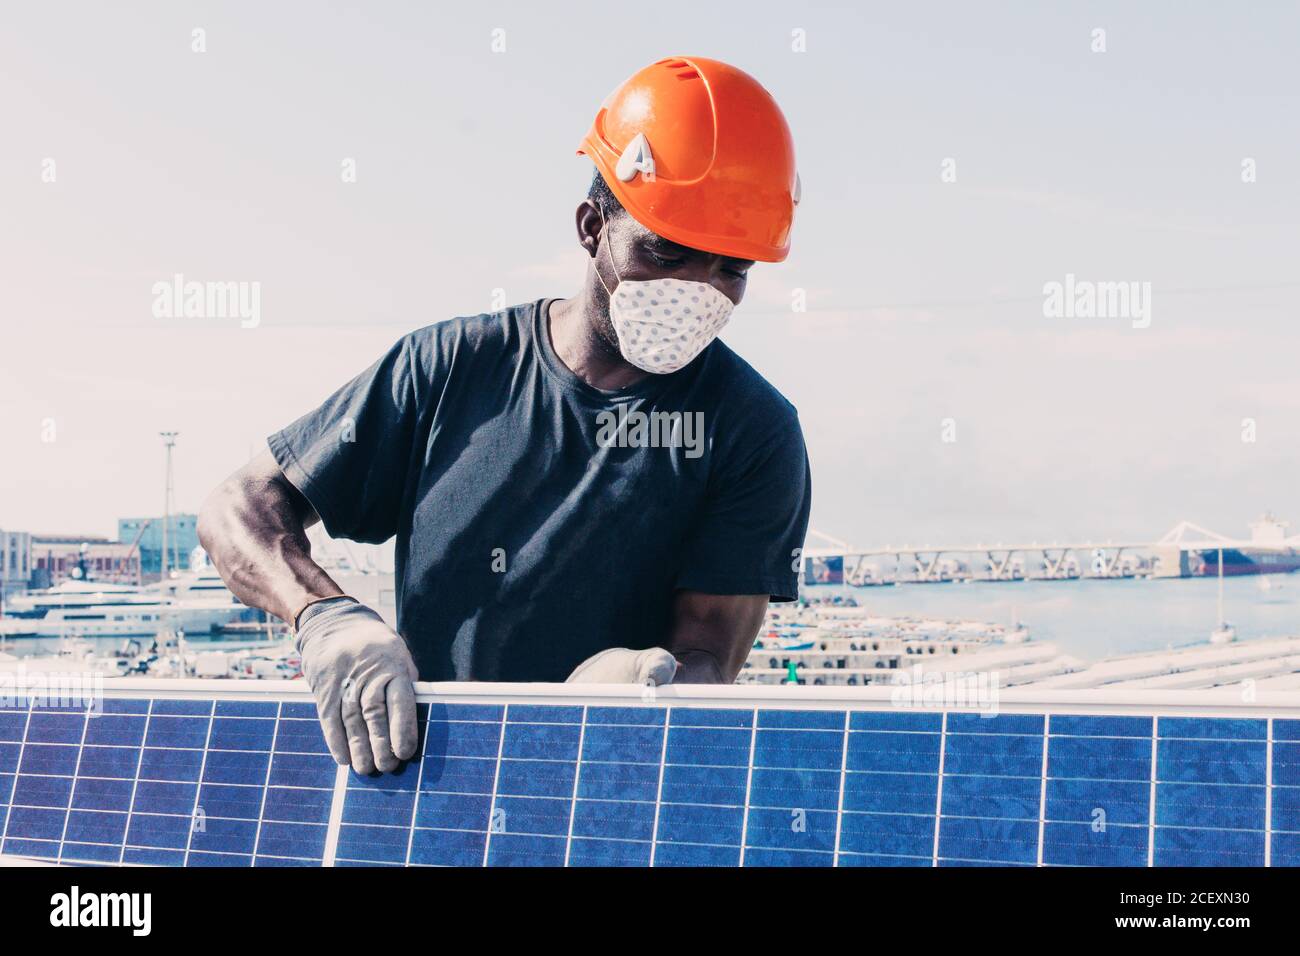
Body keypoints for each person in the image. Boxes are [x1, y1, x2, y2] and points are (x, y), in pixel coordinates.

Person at [197, 55, 811, 774]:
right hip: (424, 789)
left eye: (730, 268)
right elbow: (238, 508)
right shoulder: (447, 369)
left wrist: (647, 689)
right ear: (591, 226)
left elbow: (709, 649)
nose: (696, 290)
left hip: (602, 792)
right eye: (666, 251)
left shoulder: (753, 432)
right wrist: (324, 616)